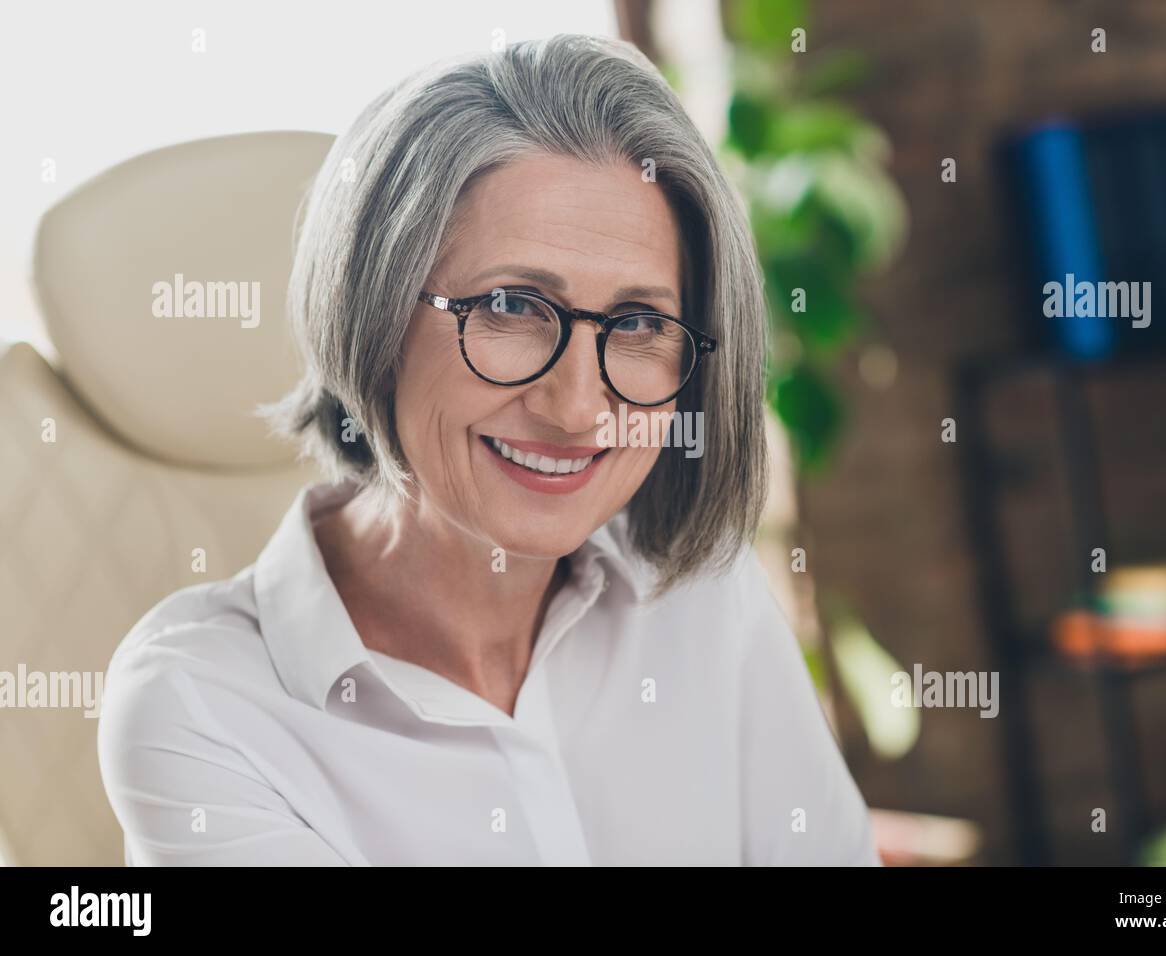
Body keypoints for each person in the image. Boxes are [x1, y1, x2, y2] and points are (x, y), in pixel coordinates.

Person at [97, 33, 881, 866]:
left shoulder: (705, 598)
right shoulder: (202, 704)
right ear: (377, 312)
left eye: (642, 324)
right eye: (512, 306)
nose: (579, 407)